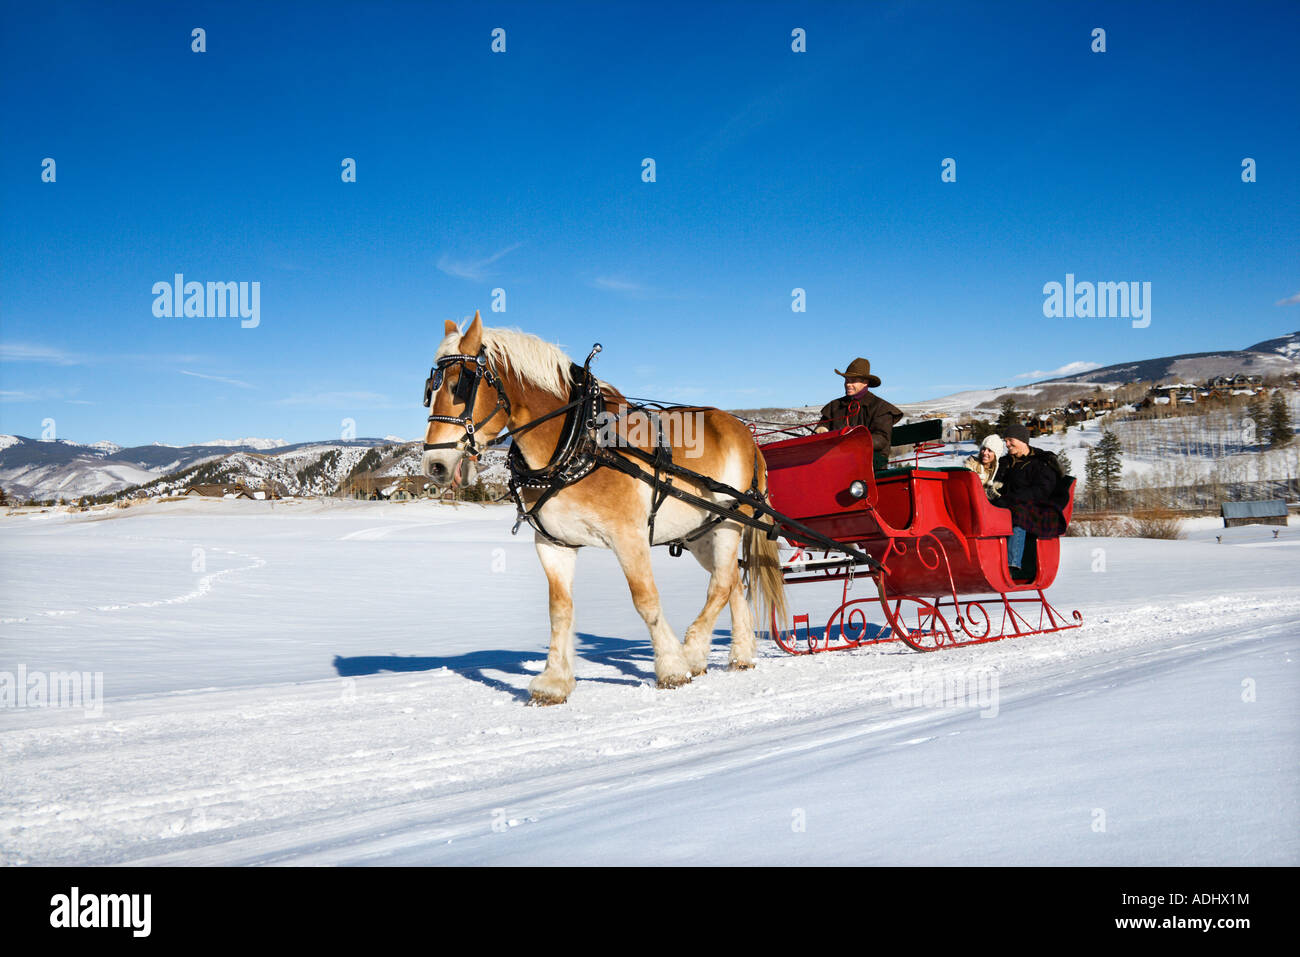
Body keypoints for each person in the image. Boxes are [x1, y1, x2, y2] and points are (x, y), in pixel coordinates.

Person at [991, 423, 1068, 578]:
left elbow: (1041, 490)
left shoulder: (1041, 463)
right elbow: (995, 482)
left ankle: (1012, 564)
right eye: (1005, 441)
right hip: (1006, 503)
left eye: (1010, 440)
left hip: (1037, 507)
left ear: (1022, 440)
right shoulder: (1005, 462)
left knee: (1018, 514)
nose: (1007, 445)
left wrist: (1011, 499)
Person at [813, 357, 902, 471]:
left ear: (865, 382)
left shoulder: (881, 408)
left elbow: (881, 439)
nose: (848, 384)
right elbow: (823, 426)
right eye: (846, 380)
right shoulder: (834, 406)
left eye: (853, 381)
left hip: (871, 463)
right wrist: (822, 428)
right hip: (837, 461)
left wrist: (853, 442)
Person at [964, 433, 1006, 500]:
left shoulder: (1000, 472)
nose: (985, 453)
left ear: (996, 455)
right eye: (983, 449)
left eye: (989, 450)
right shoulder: (971, 467)